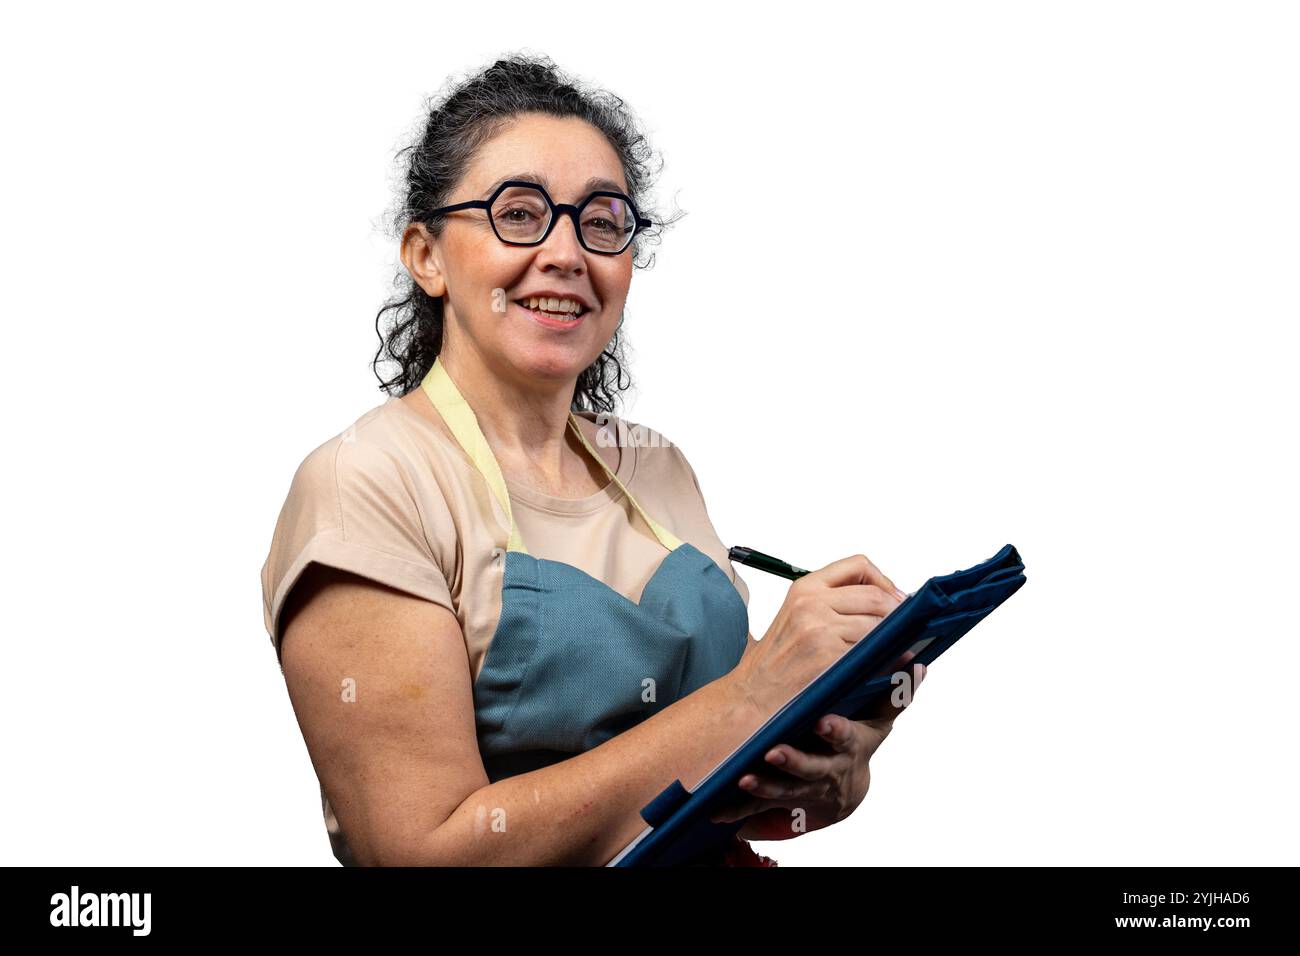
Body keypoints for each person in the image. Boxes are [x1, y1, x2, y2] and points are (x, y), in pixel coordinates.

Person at [259, 52, 923, 867]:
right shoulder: (368, 483)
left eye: (601, 221)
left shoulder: (657, 469)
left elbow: (732, 789)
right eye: (519, 212)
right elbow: (425, 855)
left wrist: (835, 749)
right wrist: (752, 695)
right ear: (426, 254)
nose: (568, 252)